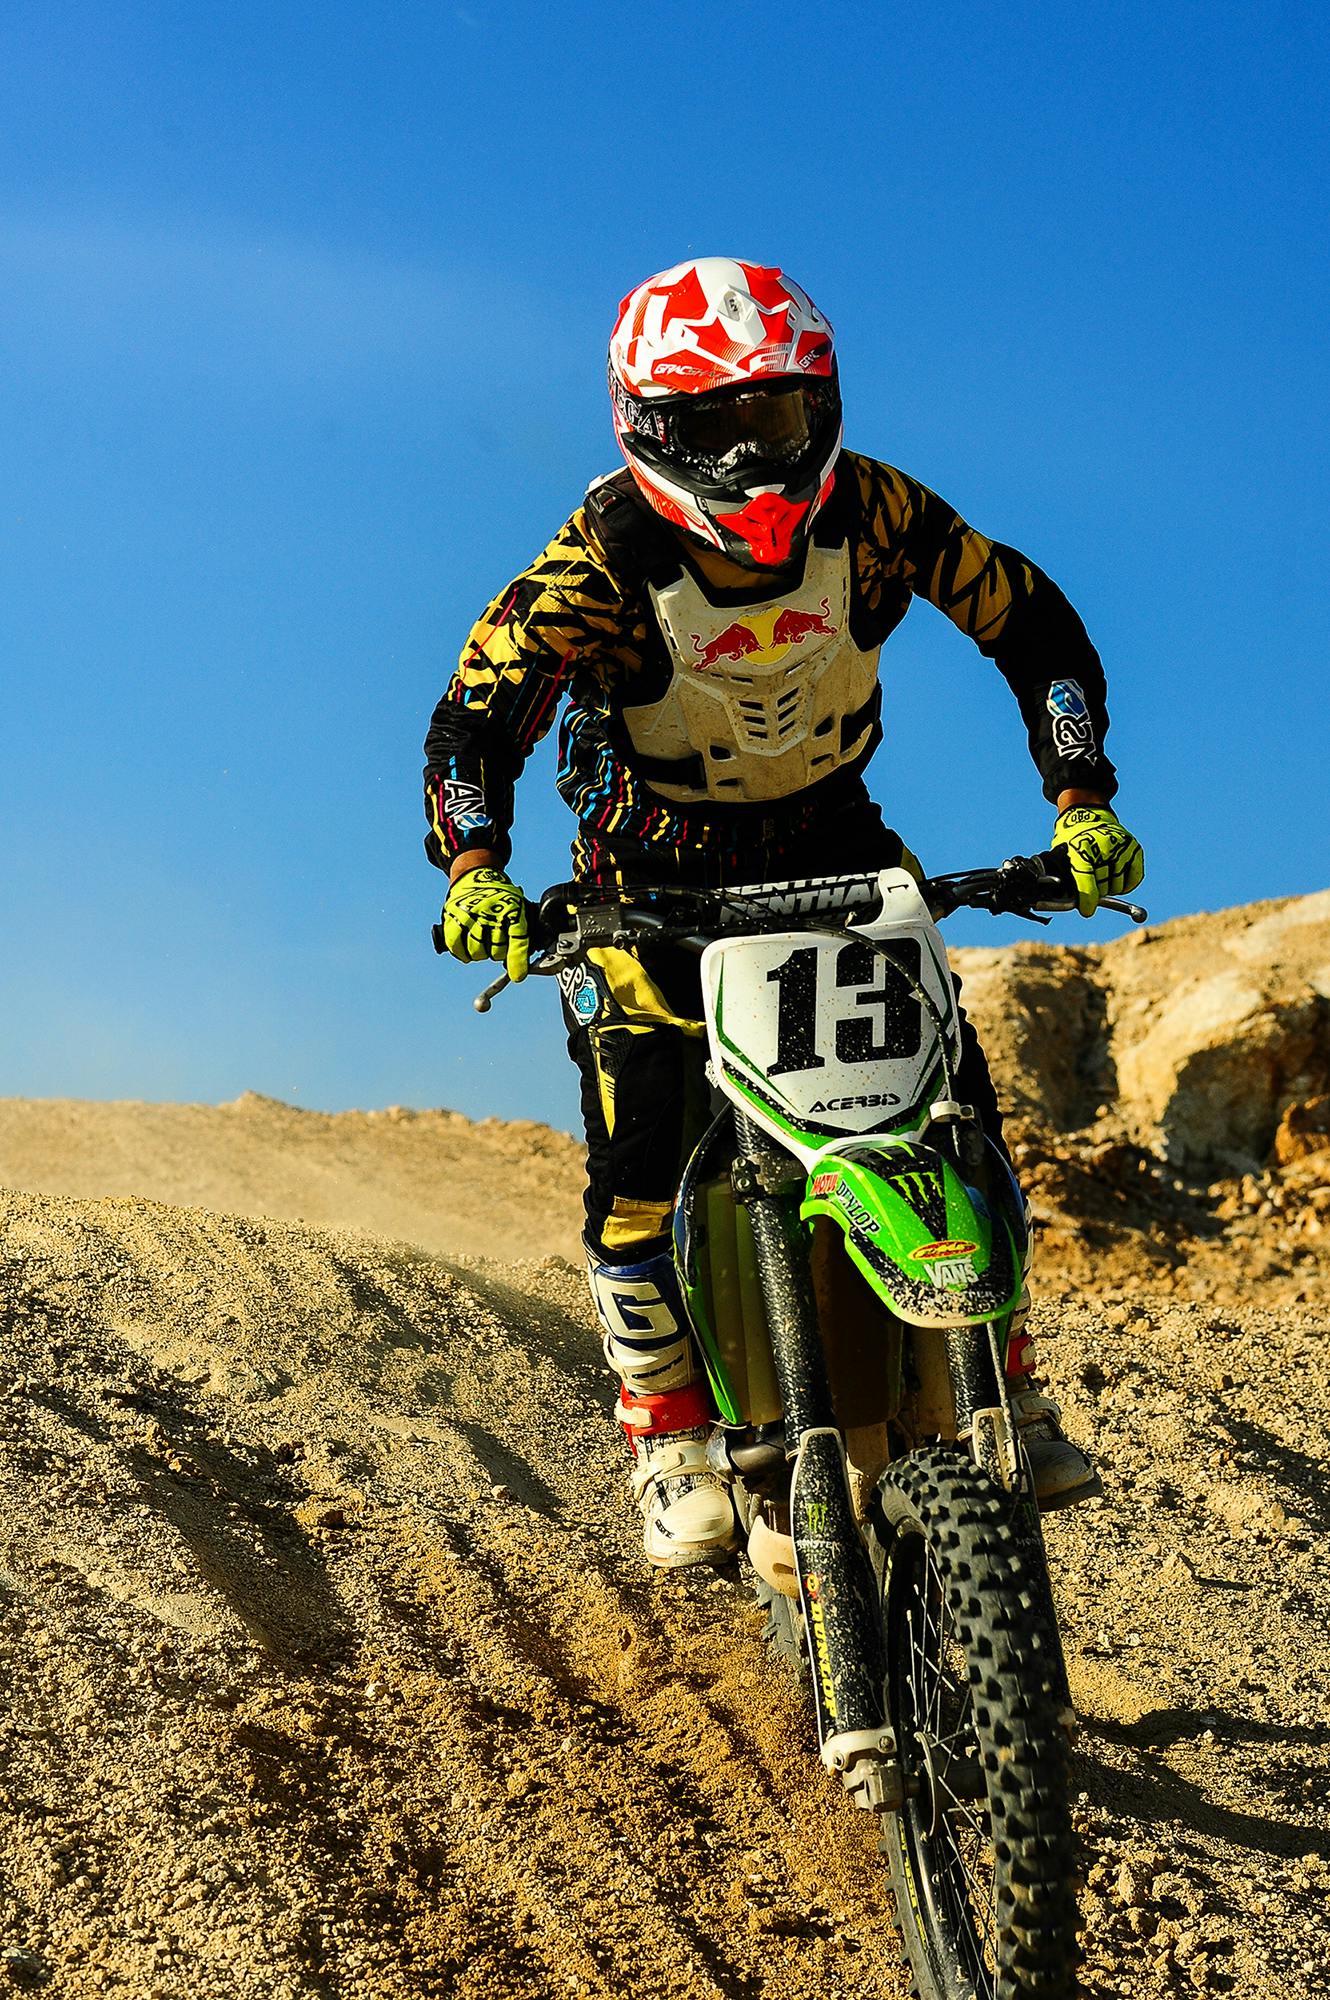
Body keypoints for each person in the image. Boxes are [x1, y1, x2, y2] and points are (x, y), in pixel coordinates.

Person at [423, 257, 1145, 1569]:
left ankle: (1008, 1383)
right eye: (719, 431)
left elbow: (1028, 622)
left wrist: (1078, 794)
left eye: (782, 423)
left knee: (956, 1108)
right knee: (637, 1158)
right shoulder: (600, 556)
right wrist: (475, 870)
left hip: (832, 839)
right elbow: (476, 720)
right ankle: (665, 1432)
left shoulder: (874, 512)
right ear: (647, 431)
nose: (757, 460)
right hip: (647, 876)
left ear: (826, 409)